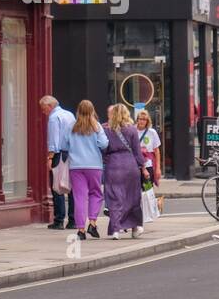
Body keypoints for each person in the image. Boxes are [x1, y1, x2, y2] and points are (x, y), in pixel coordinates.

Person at [103, 104, 149, 239]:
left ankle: (116, 230)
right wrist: (143, 167)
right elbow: (137, 152)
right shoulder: (132, 130)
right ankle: (135, 228)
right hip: (130, 166)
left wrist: (106, 159)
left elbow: (103, 150)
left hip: (113, 166)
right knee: (132, 198)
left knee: (114, 198)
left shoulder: (107, 130)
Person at [67, 100, 109, 240]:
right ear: (92, 111)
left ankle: (80, 229)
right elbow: (103, 144)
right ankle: (92, 222)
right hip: (94, 165)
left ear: (78, 111)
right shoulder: (96, 126)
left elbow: (63, 145)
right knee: (96, 194)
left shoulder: (71, 126)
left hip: (76, 166)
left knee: (79, 197)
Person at [40, 95, 76, 230]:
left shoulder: (54, 118)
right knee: (71, 187)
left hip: (58, 154)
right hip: (71, 153)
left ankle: (59, 219)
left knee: (57, 187)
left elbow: (54, 140)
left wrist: (50, 157)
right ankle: (73, 220)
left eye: (44, 109)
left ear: (50, 106)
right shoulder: (70, 114)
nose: (44, 112)